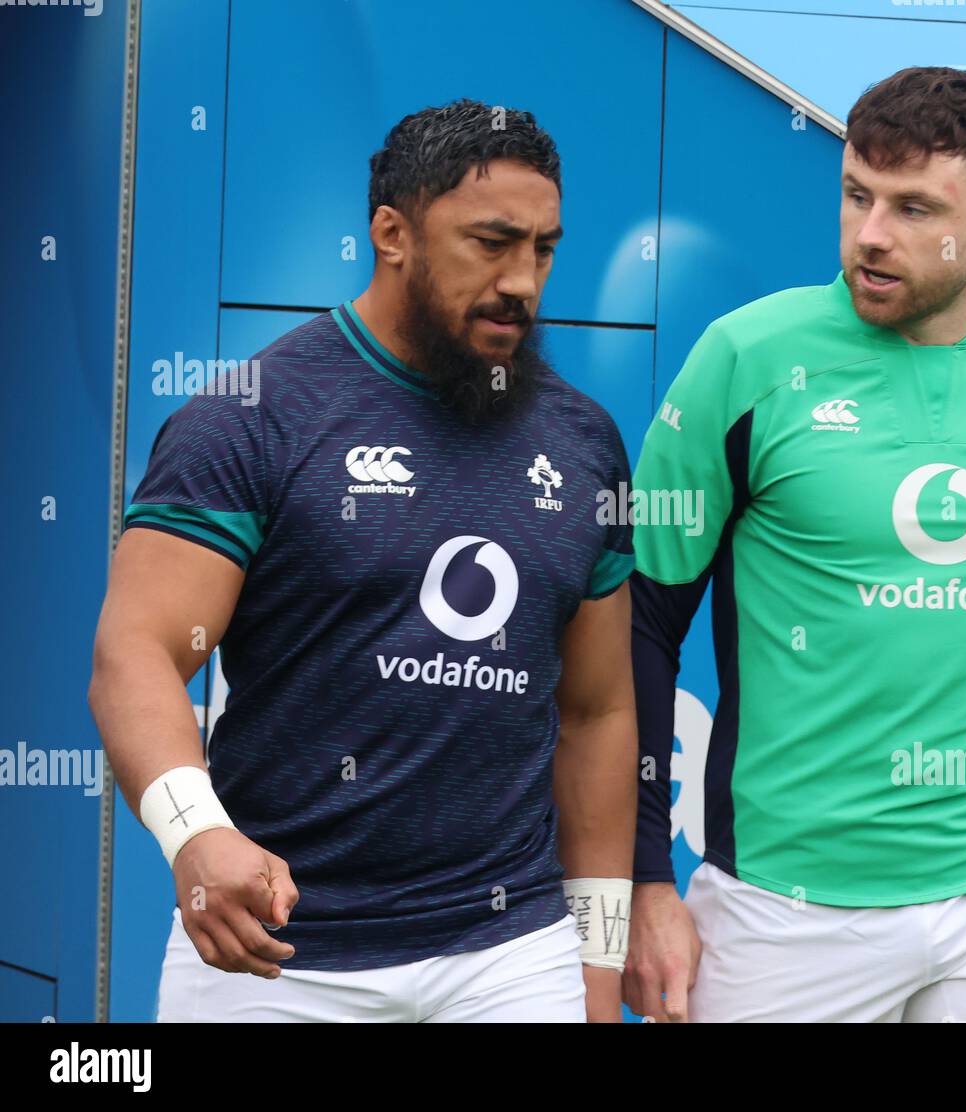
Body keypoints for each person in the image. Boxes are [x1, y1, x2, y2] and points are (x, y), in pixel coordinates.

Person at [88, 99, 637, 1022]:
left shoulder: (583, 441)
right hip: (277, 958)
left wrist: (600, 959)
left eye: (542, 249)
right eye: (491, 243)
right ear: (392, 233)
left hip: (511, 954)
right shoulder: (251, 418)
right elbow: (135, 653)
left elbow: (598, 713)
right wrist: (196, 836)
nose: (522, 282)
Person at [624, 67, 966, 1022]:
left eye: (913, 207)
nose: (871, 234)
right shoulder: (745, 356)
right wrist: (643, 882)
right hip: (783, 908)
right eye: (857, 196)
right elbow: (637, 628)